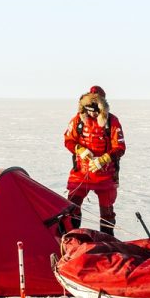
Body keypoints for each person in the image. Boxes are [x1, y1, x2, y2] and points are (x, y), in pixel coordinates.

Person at [63, 85, 126, 236]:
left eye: (94, 109)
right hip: (81, 173)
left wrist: (104, 159)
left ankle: (107, 240)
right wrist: (80, 149)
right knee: (72, 207)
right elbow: (68, 140)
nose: (91, 113)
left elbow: (120, 147)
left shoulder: (112, 122)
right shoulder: (77, 121)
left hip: (105, 174)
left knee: (107, 211)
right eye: (88, 109)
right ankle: (70, 237)